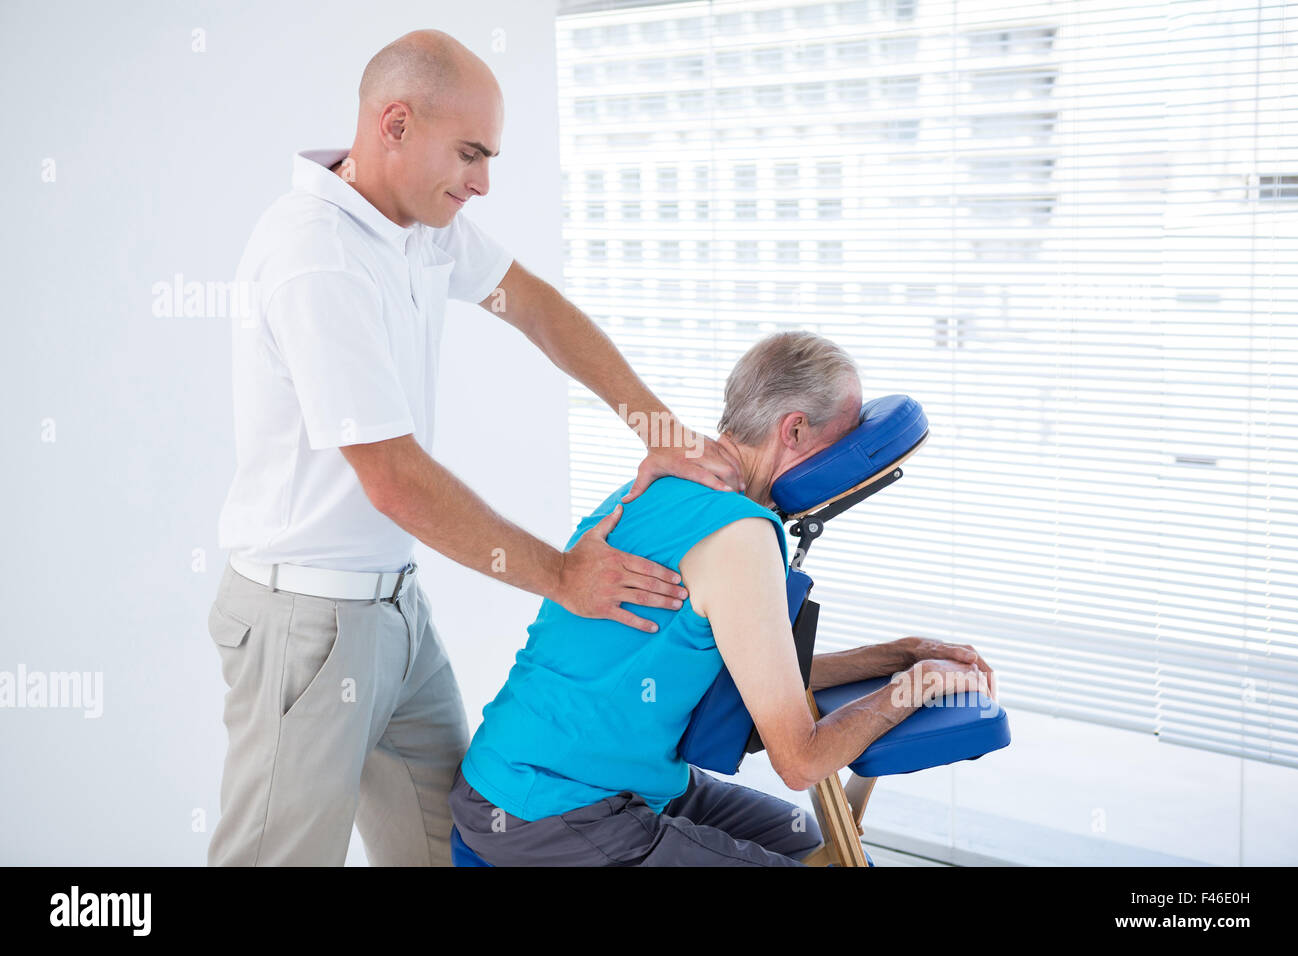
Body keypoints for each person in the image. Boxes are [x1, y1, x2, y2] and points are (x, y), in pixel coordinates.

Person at [206, 29, 744, 867]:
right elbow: (393, 479)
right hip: (305, 623)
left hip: (395, 613)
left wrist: (662, 432)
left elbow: (535, 306)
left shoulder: (417, 224)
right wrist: (565, 576)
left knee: (459, 846)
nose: (483, 182)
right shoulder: (318, 256)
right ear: (394, 124)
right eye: (469, 154)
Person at [450, 331, 996, 866]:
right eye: (847, 434)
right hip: (550, 809)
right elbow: (801, 762)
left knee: (814, 841)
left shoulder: (664, 483)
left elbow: (757, 675)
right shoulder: (742, 535)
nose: (852, 453)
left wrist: (898, 655)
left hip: (607, 776)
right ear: (796, 430)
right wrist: (913, 688)